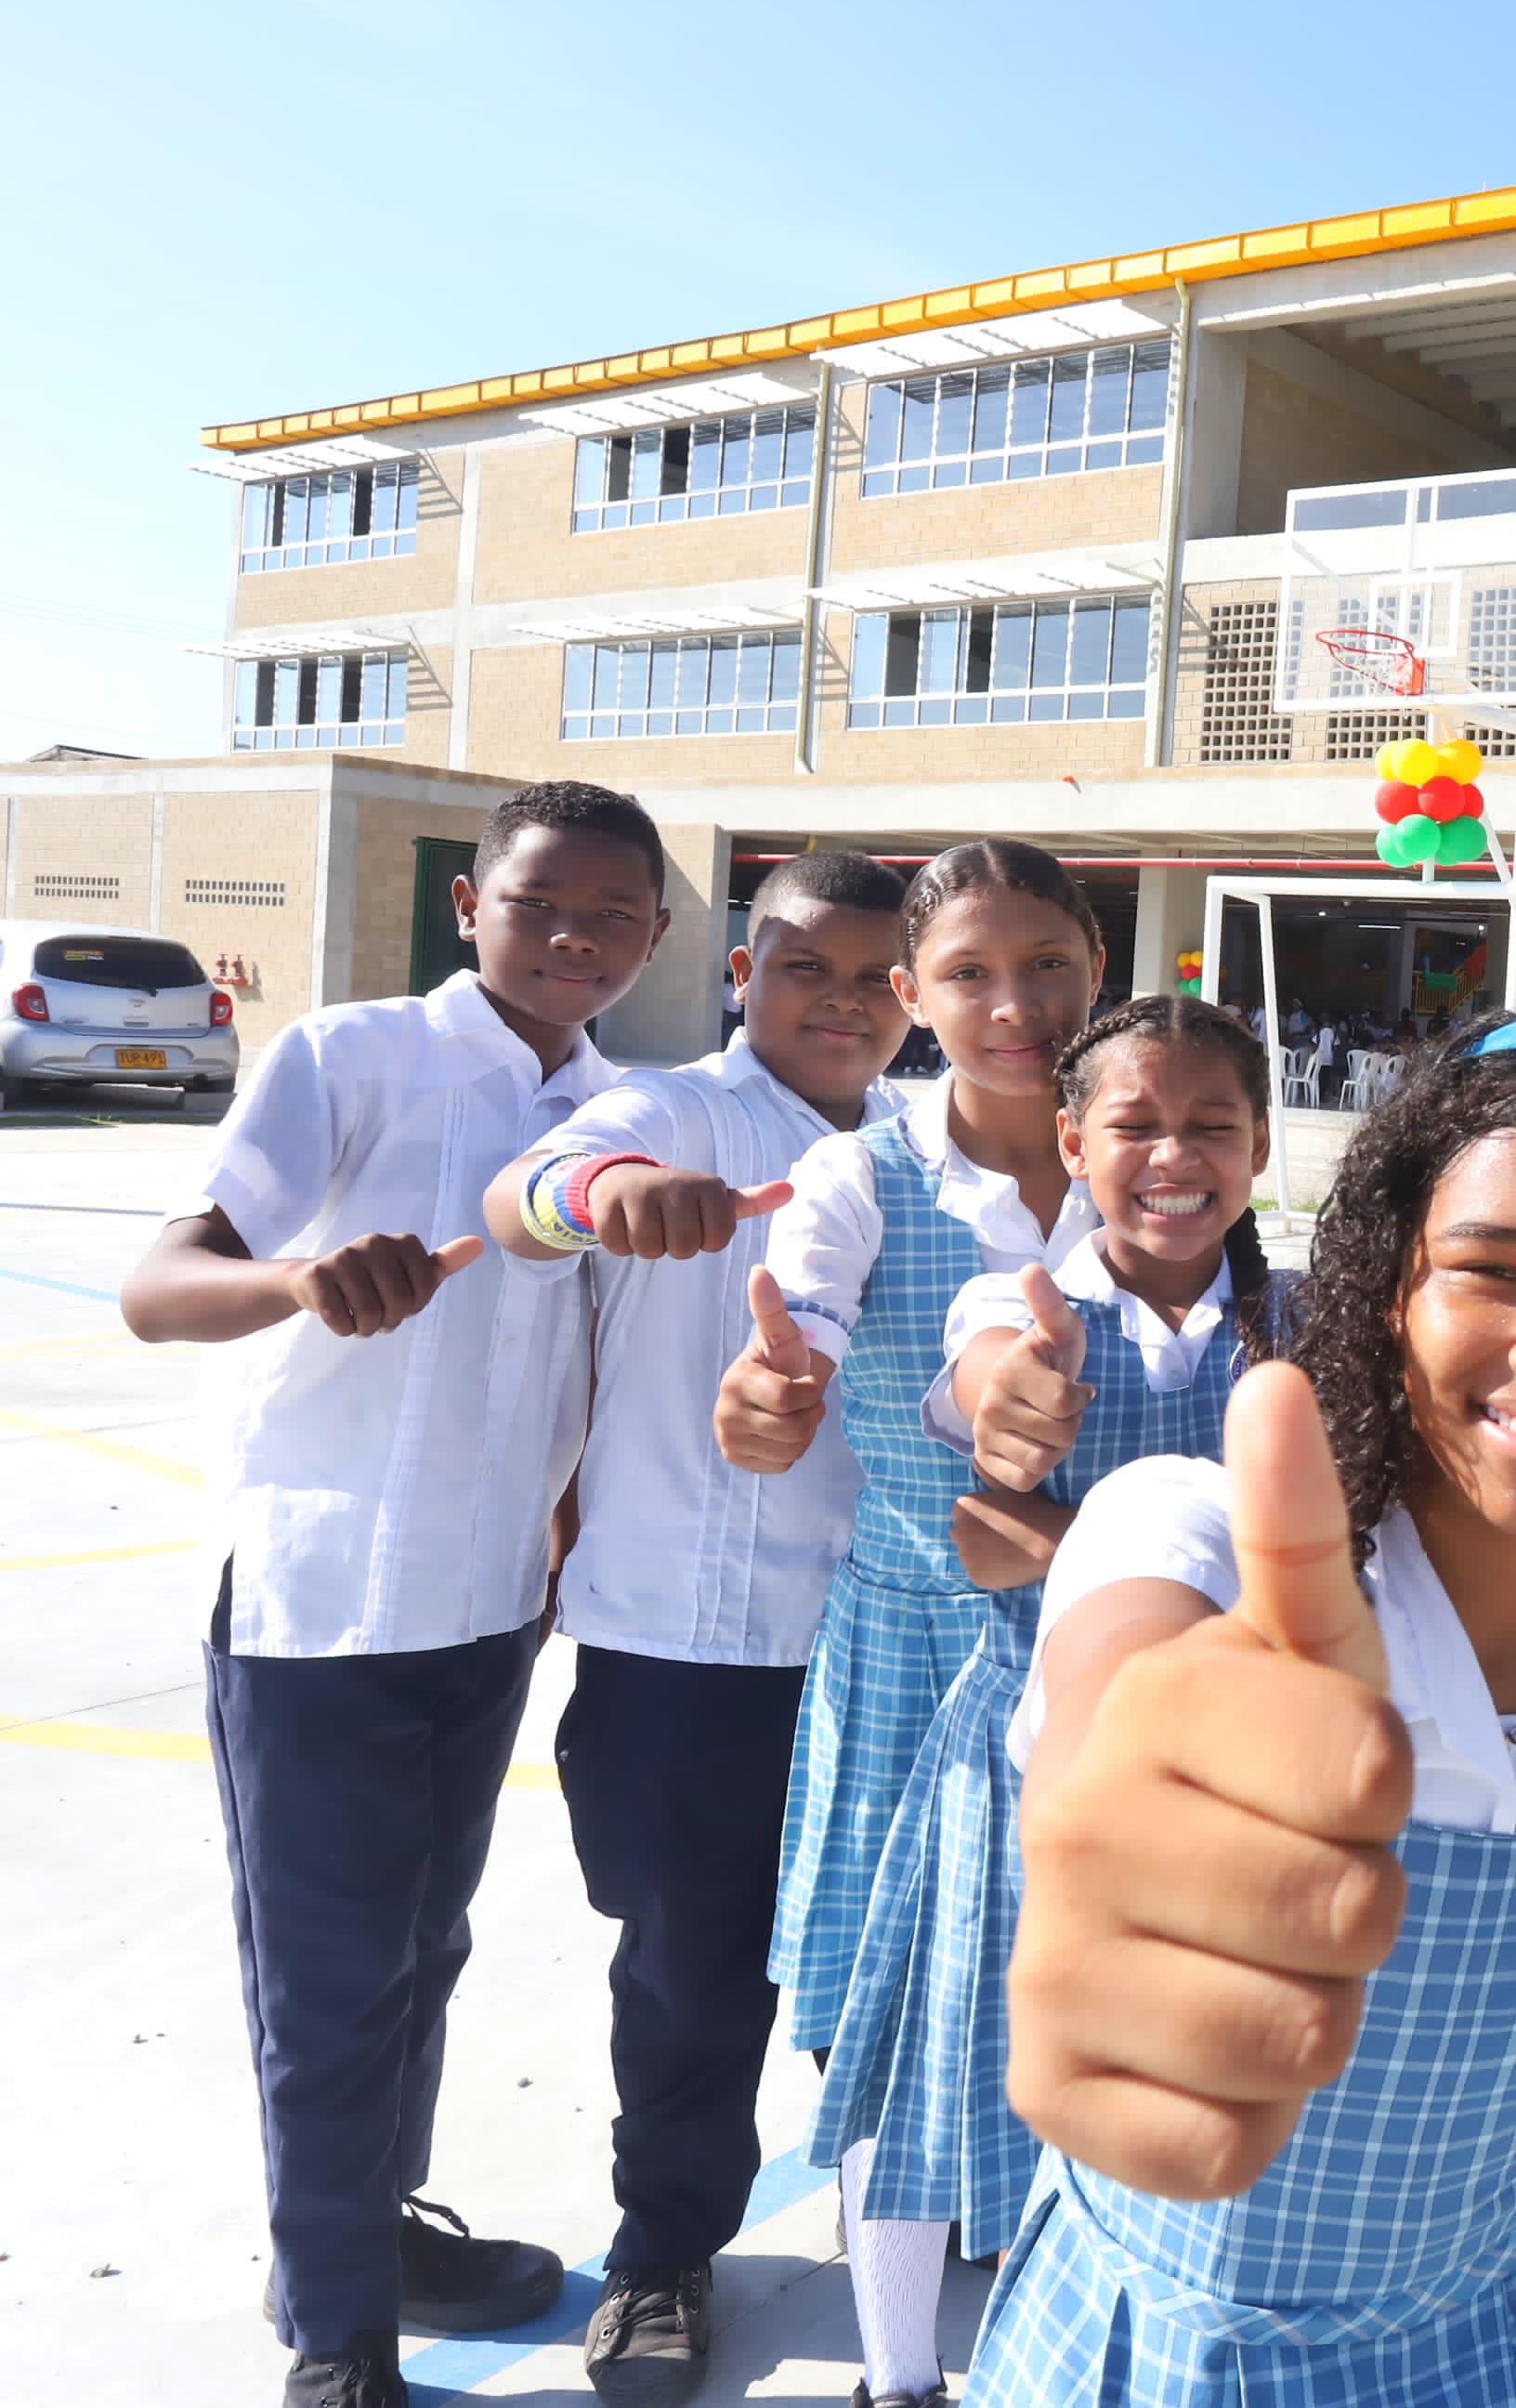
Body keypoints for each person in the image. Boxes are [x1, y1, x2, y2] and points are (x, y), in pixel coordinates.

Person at [978, 1016, 1516, 2405]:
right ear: (1381, 1292)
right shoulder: (1206, 1542)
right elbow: (1124, 1704)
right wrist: (1139, 1832)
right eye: (1491, 1270)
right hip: (1199, 2354)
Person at [120, 781, 673, 2408]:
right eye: (538, 902)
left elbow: (580, 1353)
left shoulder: (618, 1108)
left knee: (423, 1944)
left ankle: (381, 2225)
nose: (573, 936)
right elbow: (163, 1280)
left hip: (491, 1601)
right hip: (324, 1602)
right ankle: (336, 2321)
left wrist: (573, 1541)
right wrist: (297, 1278)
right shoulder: (350, 1056)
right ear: (469, 908)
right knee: (325, 1969)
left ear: (651, 934)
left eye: (612, 913)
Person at [470, 847, 914, 2405]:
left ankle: (941, 2219)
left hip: (895, 1645)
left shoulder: (934, 1153)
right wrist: (603, 1195)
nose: (842, 1002)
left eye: (876, 976)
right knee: (689, 1972)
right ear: (743, 971)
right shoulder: (675, 1115)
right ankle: (663, 2251)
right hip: (684, 1649)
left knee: (915, 1960)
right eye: (807, 968)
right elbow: (528, 1198)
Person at [805, 998, 1285, 2401]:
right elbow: (977, 1513)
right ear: (1072, 1141)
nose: (1173, 1155)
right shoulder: (1015, 1304)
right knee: (933, 2064)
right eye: (1134, 1123)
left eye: (1212, 1124)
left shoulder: (1309, 1326)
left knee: (1176, 2088)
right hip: (1023, 1763)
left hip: (1225, 1784)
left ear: (1260, 1147)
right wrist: (1014, 1403)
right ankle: (897, 2376)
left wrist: (1081, 1540)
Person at [716, 839, 1104, 2408]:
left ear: (1099, 961)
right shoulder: (857, 1173)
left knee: (1089, 1987)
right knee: (905, 2008)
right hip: (918, 1655)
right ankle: (897, 2370)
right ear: (910, 994)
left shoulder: (1149, 1145)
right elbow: (798, 1314)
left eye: (1051, 965)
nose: (1015, 1004)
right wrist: (770, 1388)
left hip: (1109, 1653)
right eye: (968, 972)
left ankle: (1054, 2294)